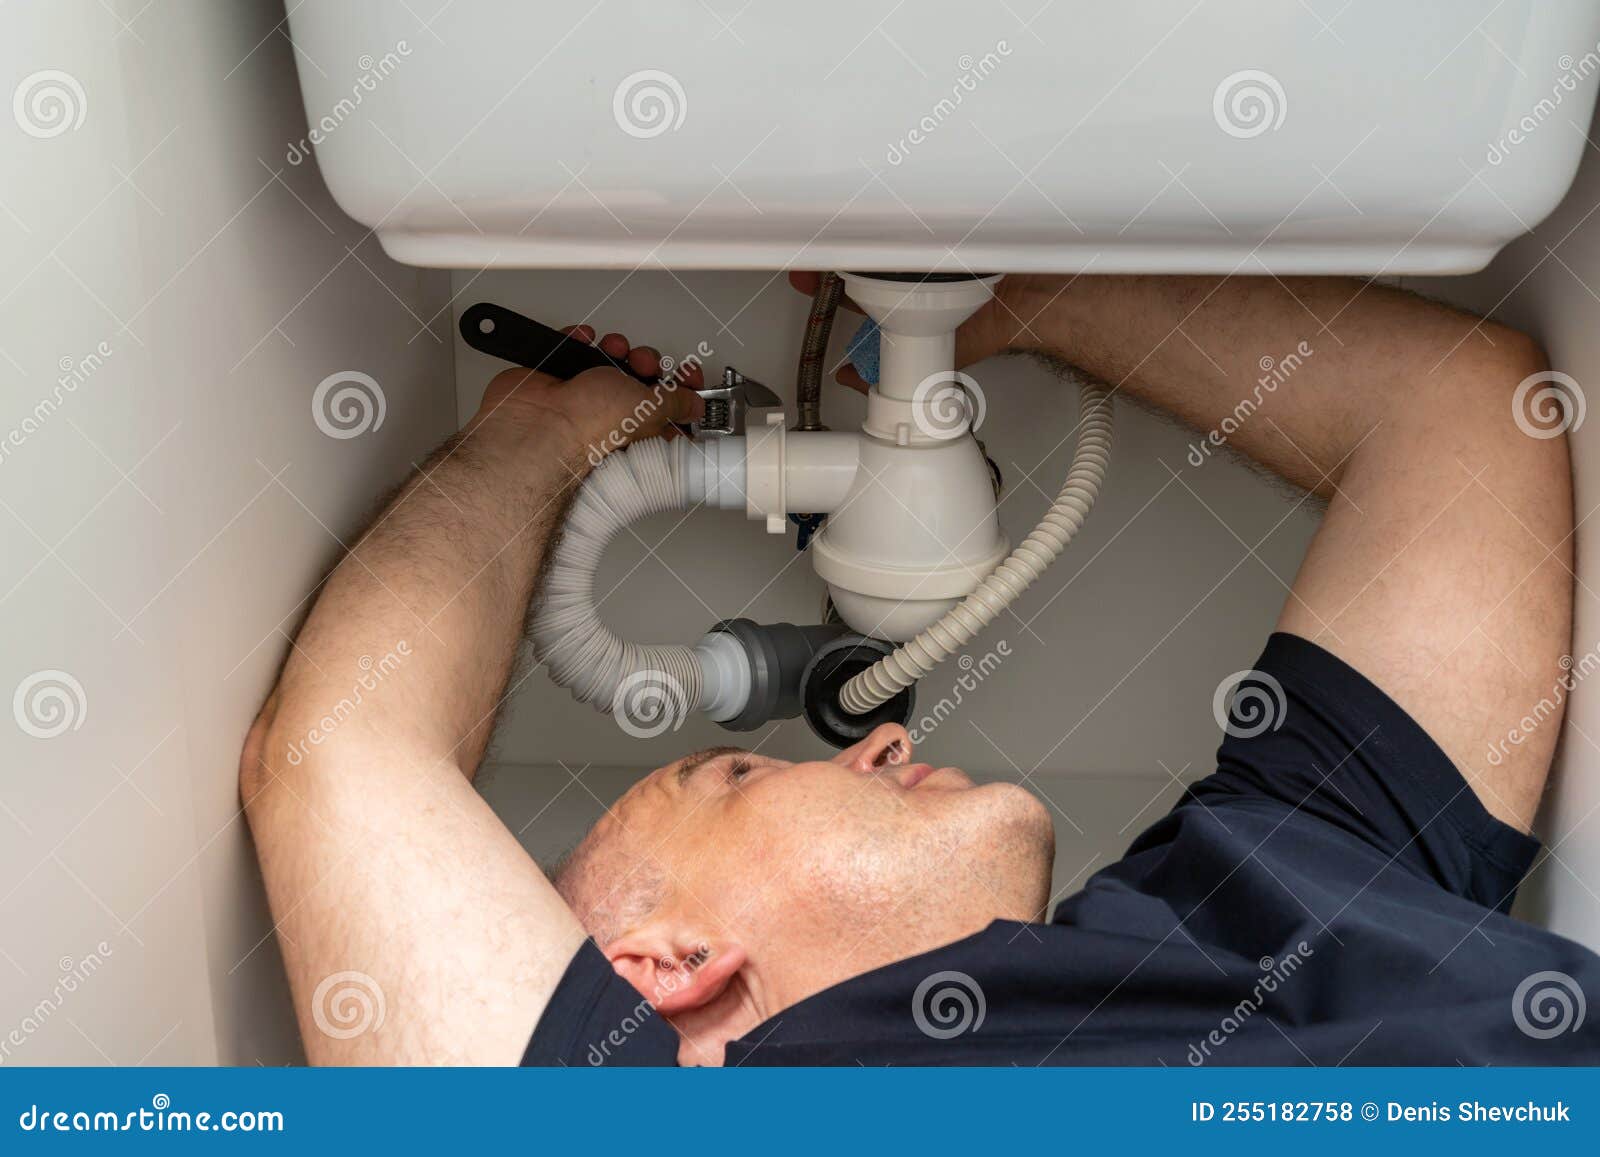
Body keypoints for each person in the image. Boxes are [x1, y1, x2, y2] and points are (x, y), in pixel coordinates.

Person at [240, 273, 1600, 1066]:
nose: (877, 740)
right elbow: (325, 759)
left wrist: (1016, 294)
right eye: (742, 766)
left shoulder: (1251, 888)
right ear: (669, 964)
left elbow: (1471, 413)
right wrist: (545, 430)